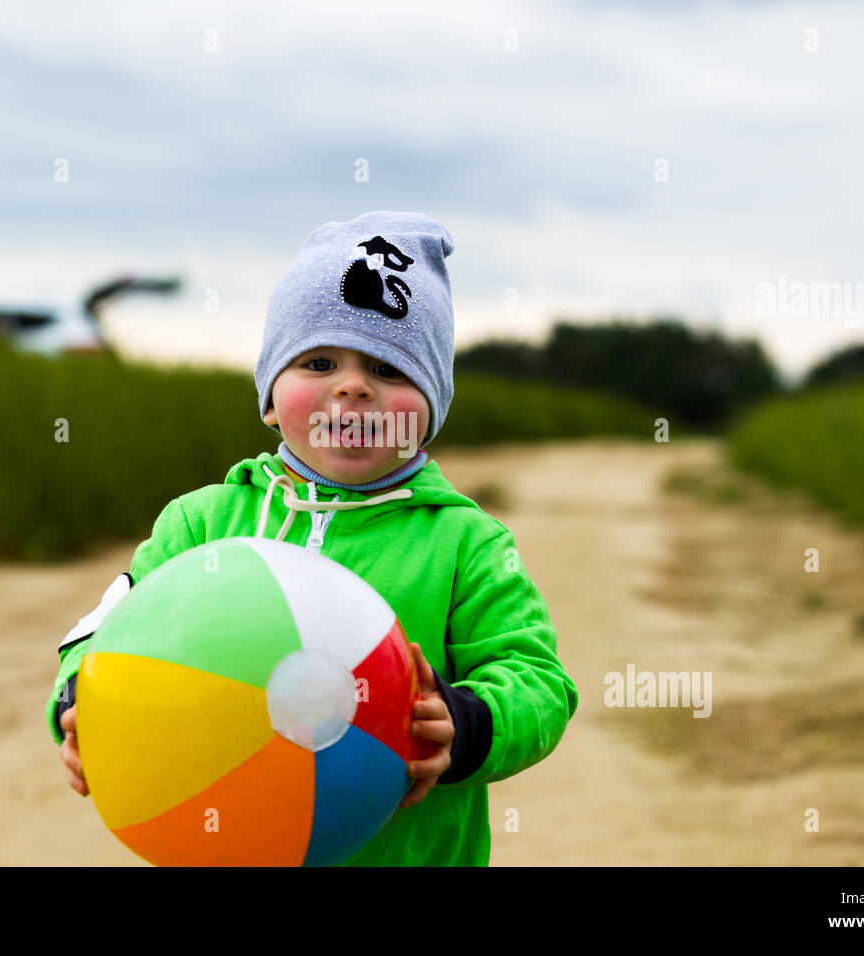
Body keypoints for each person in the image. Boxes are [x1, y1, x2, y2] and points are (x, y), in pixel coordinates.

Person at [47, 210, 578, 865]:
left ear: (433, 405)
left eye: (389, 369)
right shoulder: (200, 524)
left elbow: (538, 680)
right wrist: (78, 705)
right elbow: (101, 634)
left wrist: (468, 725)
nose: (353, 386)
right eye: (320, 361)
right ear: (271, 397)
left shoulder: (465, 542)